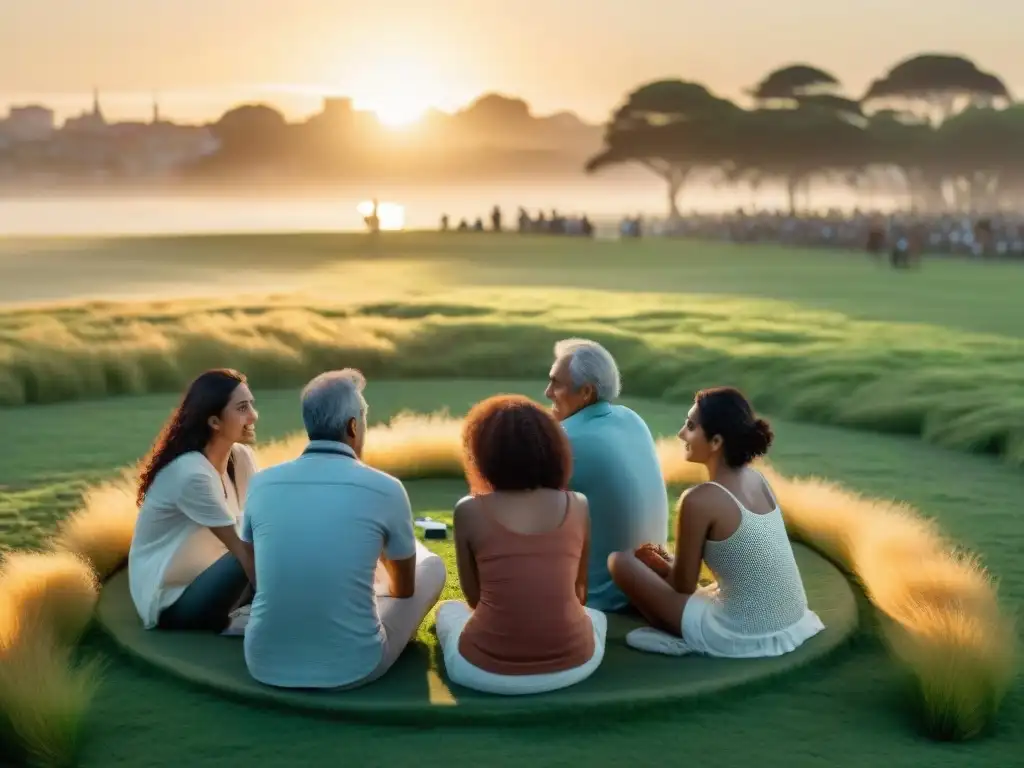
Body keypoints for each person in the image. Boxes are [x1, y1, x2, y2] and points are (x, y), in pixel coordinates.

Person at [241, 369, 446, 689]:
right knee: (432, 567)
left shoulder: (261, 483)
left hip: (262, 661)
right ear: (353, 426)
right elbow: (404, 590)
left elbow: (257, 571)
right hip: (354, 665)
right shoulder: (386, 488)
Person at [608, 387, 825, 658]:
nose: (681, 434)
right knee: (654, 566)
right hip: (791, 619)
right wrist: (664, 565)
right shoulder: (759, 480)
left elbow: (682, 587)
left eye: (690, 426)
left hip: (736, 632)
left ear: (716, 442)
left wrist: (661, 566)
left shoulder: (699, 500)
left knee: (621, 562)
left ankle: (686, 637)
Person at [436, 395, 606, 695]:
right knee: (597, 616)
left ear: (483, 454)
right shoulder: (578, 505)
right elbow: (580, 593)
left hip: (483, 672)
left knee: (449, 610)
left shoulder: (469, 510)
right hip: (576, 666)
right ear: (553, 450)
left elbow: (474, 600)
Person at [129, 369, 259, 632]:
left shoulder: (241, 458)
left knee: (267, 537)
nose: (253, 416)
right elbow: (244, 552)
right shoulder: (192, 474)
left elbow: (258, 518)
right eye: (242, 408)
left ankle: (244, 616)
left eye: (251, 405)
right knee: (259, 545)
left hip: (209, 573)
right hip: (173, 601)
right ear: (214, 422)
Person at [544, 338, 668, 612]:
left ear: (586, 392)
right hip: (647, 580)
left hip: (601, 597)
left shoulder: (564, 441)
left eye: (556, 383)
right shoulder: (631, 418)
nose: (547, 392)